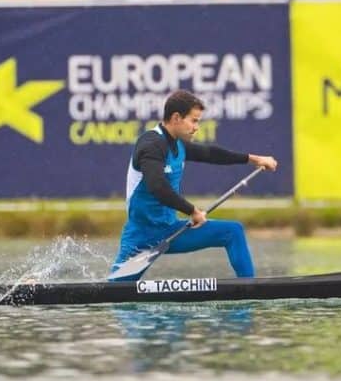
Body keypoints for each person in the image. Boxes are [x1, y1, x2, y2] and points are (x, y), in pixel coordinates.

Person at [110, 90, 278, 281]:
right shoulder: (150, 144)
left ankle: (249, 288)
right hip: (140, 236)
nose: (197, 127)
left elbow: (211, 154)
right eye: (194, 120)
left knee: (233, 231)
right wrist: (192, 211)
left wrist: (254, 159)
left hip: (171, 230)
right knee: (115, 292)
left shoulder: (178, 144)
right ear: (176, 118)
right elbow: (157, 186)